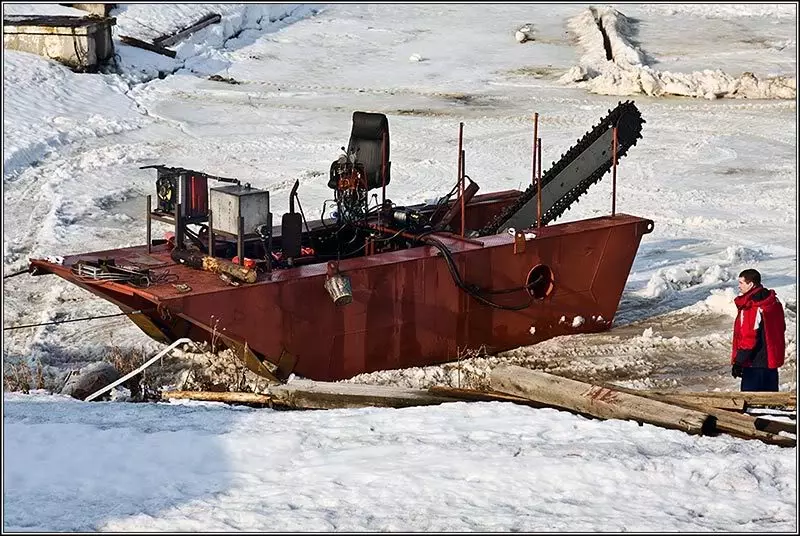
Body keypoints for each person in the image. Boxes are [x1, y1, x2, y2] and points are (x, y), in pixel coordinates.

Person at [730, 269, 786, 391]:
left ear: (751, 284)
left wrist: (738, 362)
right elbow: (782, 327)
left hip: (754, 362)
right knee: (771, 402)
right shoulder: (773, 301)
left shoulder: (752, 306)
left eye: (741, 283)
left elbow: (749, 337)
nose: (739, 286)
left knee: (750, 402)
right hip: (771, 360)